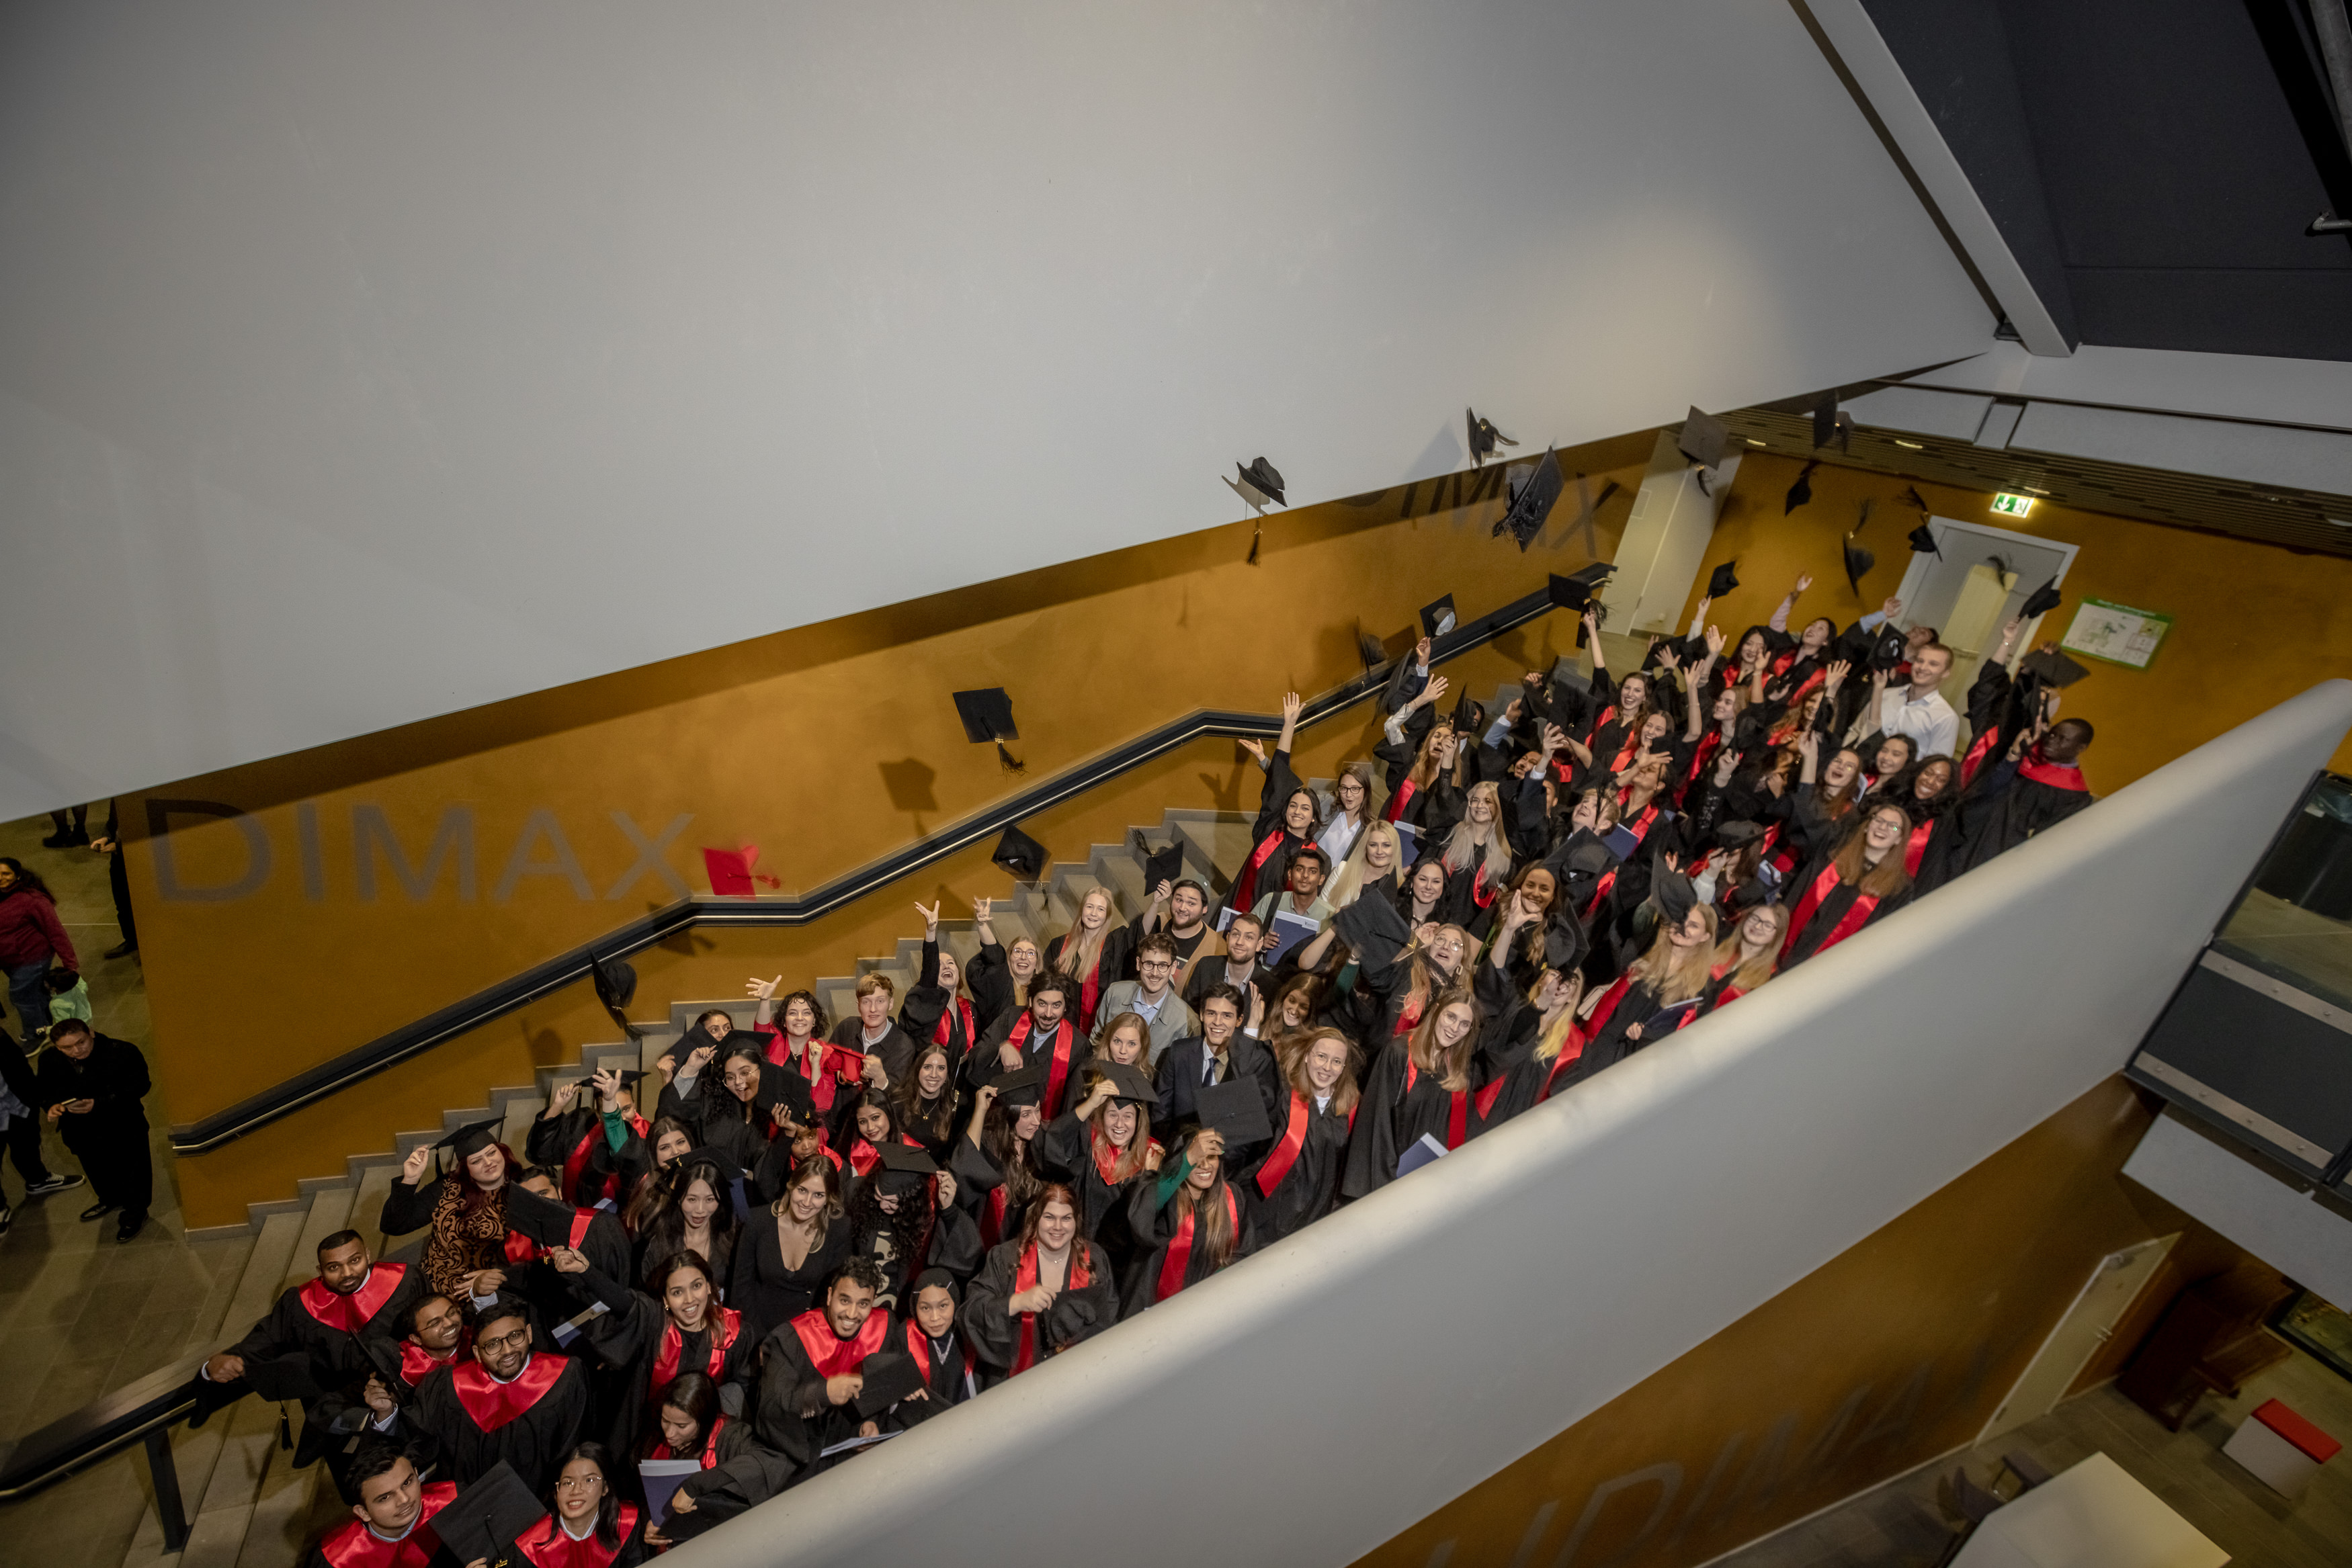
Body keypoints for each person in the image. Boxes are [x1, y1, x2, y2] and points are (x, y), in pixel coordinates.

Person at [551, 1246, 749, 1456]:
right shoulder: (655, 1323)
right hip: (647, 1439)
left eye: (697, 1286)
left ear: (709, 1287)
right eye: (677, 1292)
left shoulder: (734, 1333)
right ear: (665, 1300)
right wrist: (586, 1270)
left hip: (704, 1445)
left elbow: (741, 1389)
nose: (689, 1299)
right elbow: (623, 1302)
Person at [205, 1229, 425, 1401]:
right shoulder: (301, 1303)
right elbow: (265, 1342)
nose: (347, 1273)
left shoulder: (405, 1282)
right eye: (333, 1267)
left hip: (402, 1390)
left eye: (355, 1261)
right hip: (330, 1404)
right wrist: (216, 1364)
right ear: (320, 1270)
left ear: (367, 1255)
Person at [407, 1293, 590, 1492]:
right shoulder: (447, 1385)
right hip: (468, 1506)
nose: (507, 1351)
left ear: (529, 1334)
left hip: (541, 1505)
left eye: (515, 1336)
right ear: (477, 1353)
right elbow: (419, 1442)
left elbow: (575, 1446)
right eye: (492, 1344)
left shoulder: (565, 1376)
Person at [961, 1184, 1119, 1383]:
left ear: (1076, 1221)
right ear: (1036, 1218)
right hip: (1016, 1384)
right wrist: (1016, 1303)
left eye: (1066, 1218)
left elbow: (1110, 1320)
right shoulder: (1006, 1258)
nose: (1058, 1227)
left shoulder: (1094, 1260)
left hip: (1077, 1381)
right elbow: (971, 1313)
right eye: (1049, 1217)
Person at [752, 1258, 895, 1460]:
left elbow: (881, 1390)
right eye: (844, 1300)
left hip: (850, 1448)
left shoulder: (884, 1328)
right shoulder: (790, 1340)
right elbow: (770, 1409)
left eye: (863, 1304)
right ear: (829, 1296)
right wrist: (822, 1393)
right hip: (799, 1450)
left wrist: (870, 1423)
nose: (852, 1314)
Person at [1236, 1027, 1357, 1241]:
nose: (1327, 1068)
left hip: (1315, 1215)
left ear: (1343, 1068)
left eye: (1337, 1062)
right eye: (1321, 1057)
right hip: (1268, 1211)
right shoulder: (1282, 1095)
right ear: (1307, 1057)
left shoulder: (1350, 1109)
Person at [1123, 1125, 1257, 1316]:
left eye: (1211, 1157)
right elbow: (1142, 1215)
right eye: (1197, 1160)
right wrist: (1187, 1159)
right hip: (1154, 1315)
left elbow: (1243, 1255)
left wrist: (1206, 1293)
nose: (1205, 1166)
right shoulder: (1166, 1198)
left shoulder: (1232, 1197)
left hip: (1211, 1310)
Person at [36, 1018, 150, 1240]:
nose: (76, 1051)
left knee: (134, 1171)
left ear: (91, 1032)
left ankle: (135, 1213)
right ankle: (109, 1198)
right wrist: (52, 1106)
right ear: (56, 1047)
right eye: (66, 1048)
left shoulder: (122, 1052)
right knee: (96, 1168)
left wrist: (100, 1102)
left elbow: (141, 1085)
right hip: (80, 1129)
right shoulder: (49, 1059)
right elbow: (43, 1089)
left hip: (123, 1125)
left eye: (81, 1042)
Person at [381, 1122, 522, 1300]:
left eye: (491, 1153)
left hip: (494, 1291)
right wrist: (411, 1179)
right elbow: (395, 1226)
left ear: (502, 1151)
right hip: (437, 1290)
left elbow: (537, 1252)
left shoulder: (524, 1188)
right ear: (466, 1168)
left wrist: (495, 1276)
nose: (488, 1163)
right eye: (476, 1161)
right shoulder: (446, 1190)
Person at [1036, 1061, 1162, 1248]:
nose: (1119, 1124)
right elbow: (1054, 1142)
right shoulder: (1088, 1143)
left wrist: (1151, 1179)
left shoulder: (1150, 1158)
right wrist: (1092, 1103)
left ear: (1138, 1122)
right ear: (1102, 1117)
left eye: (1128, 1116)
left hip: (1116, 1261)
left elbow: (1145, 1222)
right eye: (1112, 1114)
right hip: (1073, 1247)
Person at [729, 1154, 851, 1348]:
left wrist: (805, 1343)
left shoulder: (839, 1229)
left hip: (809, 1337)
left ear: (829, 1198)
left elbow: (833, 1295)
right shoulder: (757, 1221)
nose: (807, 1202)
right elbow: (741, 1289)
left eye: (818, 1195)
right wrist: (759, 1340)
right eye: (802, 1190)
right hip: (757, 1331)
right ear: (791, 1185)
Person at [1779, 803, 1915, 969]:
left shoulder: (1898, 890)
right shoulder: (1833, 857)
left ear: (1899, 839)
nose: (1883, 828)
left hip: (1830, 970)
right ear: (1867, 826)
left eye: (1893, 827)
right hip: (1787, 949)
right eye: (1878, 820)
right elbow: (1795, 896)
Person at [1227, 692, 1320, 918]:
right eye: (1293, 806)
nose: (1297, 812)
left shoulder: (1316, 858)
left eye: (1305, 808)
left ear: (1314, 818)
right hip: (1240, 914)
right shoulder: (1269, 830)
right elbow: (1279, 783)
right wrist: (1288, 727)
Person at [302, 1441, 457, 1568]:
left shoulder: (454, 1504)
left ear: (417, 1474)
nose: (404, 1499)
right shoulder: (336, 1560)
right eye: (385, 1498)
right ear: (363, 1512)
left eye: (407, 1483)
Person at [1152, 985, 1279, 1136]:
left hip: (1226, 1155)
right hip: (1180, 1152)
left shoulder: (1248, 1064)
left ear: (1239, 1021)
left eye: (1227, 1016)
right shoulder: (1179, 1052)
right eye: (1211, 1013)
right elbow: (1160, 1115)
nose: (1217, 1022)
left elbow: (1251, 1125)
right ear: (1201, 1015)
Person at [966, 970, 1084, 1121]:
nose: (1048, 1014)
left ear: (1065, 1007)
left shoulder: (1079, 1045)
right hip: (997, 1123)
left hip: (1041, 1131)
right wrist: (1001, 1048)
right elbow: (974, 1066)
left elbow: (1071, 1108)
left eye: (1056, 1005)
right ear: (1030, 1002)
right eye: (1042, 1004)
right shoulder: (1011, 1019)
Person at [526, 1067, 647, 1210]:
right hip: (581, 1218)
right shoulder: (581, 1125)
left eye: (626, 1109)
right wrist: (557, 1106)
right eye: (609, 1109)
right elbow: (540, 1154)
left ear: (634, 1105)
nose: (622, 1118)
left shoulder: (647, 1132)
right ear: (598, 1109)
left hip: (628, 1219)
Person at [511, 1443, 646, 1568]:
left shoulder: (624, 1523)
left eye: (589, 1480)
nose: (576, 1491)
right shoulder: (531, 1542)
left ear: (605, 1488)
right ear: (556, 1492)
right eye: (568, 1483)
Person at [747, 985, 866, 1125]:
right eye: (792, 1013)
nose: (799, 1018)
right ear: (784, 1021)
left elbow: (821, 1106)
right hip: (771, 1123)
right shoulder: (775, 1042)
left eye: (806, 1013)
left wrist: (815, 1065)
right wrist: (765, 1000)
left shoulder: (827, 1053)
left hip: (808, 1128)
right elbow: (761, 1031)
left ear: (814, 1020)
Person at [0, 1018, 78, 1232]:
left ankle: (38, 1179)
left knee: (26, 1143)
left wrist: (35, 1097)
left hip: (16, 1102)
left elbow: (16, 1064)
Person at [1090, 932, 1198, 1064]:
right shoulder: (1115, 994)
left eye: (1163, 966)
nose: (1155, 973)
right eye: (1149, 964)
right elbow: (1096, 1043)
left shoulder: (1185, 1021)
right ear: (1138, 964)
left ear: (1173, 967)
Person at [1042, 887, 1138, 1036]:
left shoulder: (1112, 948)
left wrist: (1155, 904)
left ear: (1107, 915)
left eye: (1101, 909)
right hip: (1057, 1029)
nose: (1094, 913)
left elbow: (1138, 933)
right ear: (1082, 910)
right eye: (1089, 907)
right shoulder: (1059, 944)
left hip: (1095, 1031)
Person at [0, 859, 76, 1044]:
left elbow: (55, 931)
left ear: (17, 875)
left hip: (31, 959)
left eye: (6, 874)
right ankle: (50, 1023)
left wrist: (70, 964)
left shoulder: (33, 899)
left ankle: (36, 1035)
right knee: (36, 992)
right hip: (10, 961)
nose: (0, 878)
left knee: (22, 997)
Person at [891, 1268, 980, 1426]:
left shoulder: (968, 1333)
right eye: (925, 1308)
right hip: (918, 1430)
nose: (935, 1317)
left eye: (943, 1306)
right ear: (914, 1307)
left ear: (955, 1301)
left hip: (967, 1425)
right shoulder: (904, 1336)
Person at [898, 902, 980, 1070]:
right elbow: (929, 973)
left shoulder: (971, 1009)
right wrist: (931, 933)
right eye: (939, 965)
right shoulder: (923, 1008)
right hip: (927, 1081)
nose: (946, 967)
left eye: (951, 963)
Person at [964, 898, 1042, 1034]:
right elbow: (994, 955)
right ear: (1009, 958)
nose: (1024, 957)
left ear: (1037, 963)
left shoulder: (1045, 991)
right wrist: (983, 926)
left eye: (1030, 953)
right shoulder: (998, 985)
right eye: (1018, 952)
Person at [827, 973, 915, 1090]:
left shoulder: (904, 1046)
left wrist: (880, 1079)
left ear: (891, 1003)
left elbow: (901, 1098)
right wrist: (840, 1074)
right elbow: (827, 1067)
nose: (873, 1009)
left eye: (880, 1001)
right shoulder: (847, 1027)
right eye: (866, 1002)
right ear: (858, 1006)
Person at [1179, 912, 1271, 1022]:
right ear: (1228, 938)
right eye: (1236, 934)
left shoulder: (1270, 985)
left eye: (1249, 937)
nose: (1240, 942)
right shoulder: (1206, 966)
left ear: (1259, 945)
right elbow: (1187, 1014)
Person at [1137, 878, 1224, 988]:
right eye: (1179, 900)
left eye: (1191, 903)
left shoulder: (1217, 946)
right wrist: (1155, 903)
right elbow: (1139, 935)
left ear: (1205, 908)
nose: (1183, 908)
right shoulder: (1160, 922)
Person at [888, 1040, 962, 1163]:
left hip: (936, 1176)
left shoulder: (956, 1104)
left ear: (947, 1075)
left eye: (941, 1068)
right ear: (917, 1070)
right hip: (901, 1171)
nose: (934, 1075)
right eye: (927, 1067)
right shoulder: (897, 1102)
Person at [86, 799, 137, 959]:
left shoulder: (143, 794)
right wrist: (105, 838)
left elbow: (149, 829)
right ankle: (131, 940)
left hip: (141, 860)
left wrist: (120, 846)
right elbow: (112, 823)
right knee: (122, 902)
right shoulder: (118, 797)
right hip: (119, 860)